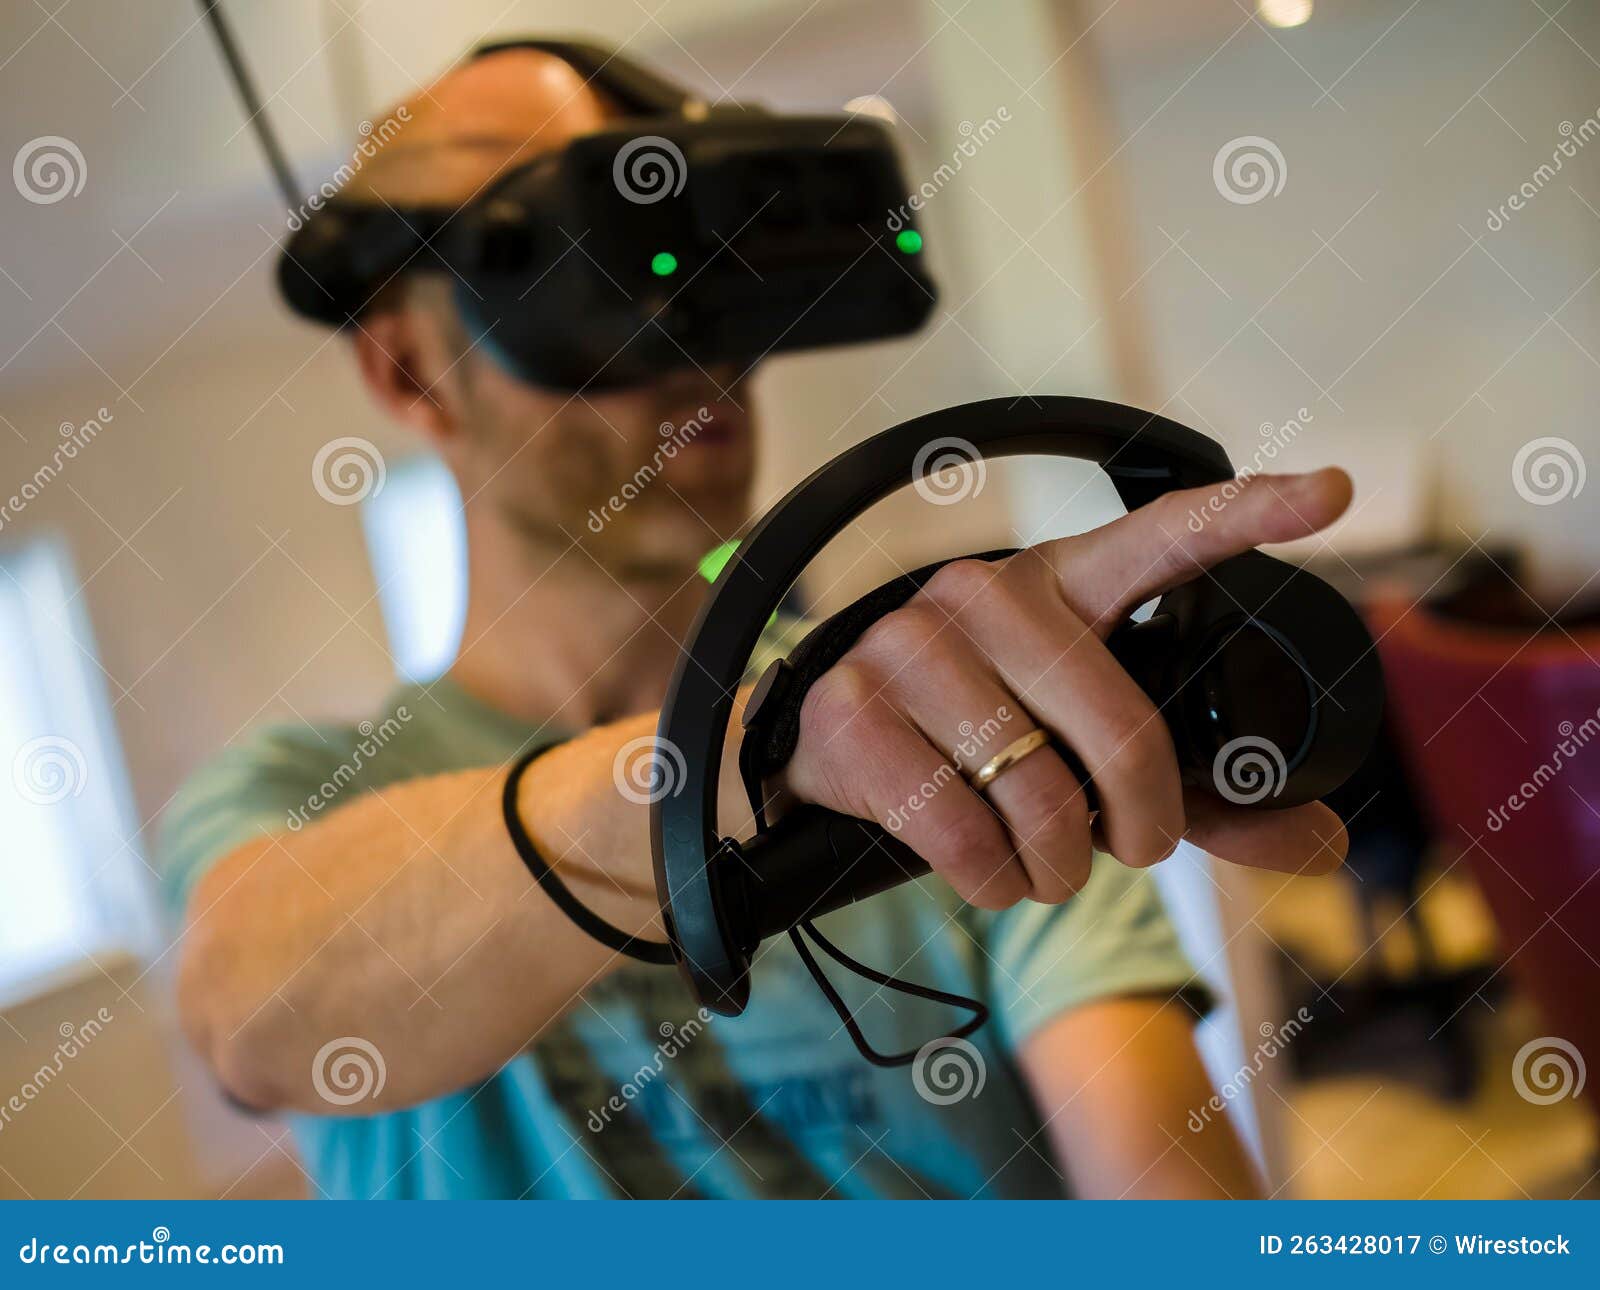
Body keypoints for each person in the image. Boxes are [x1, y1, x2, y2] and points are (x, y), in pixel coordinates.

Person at [161, 44, 1351, 1200]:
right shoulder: (302, 793)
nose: (695, 345)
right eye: (599, 261)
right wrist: (749, 757)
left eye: (711, 268)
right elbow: (255, 1010)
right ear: (411, 371)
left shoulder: (960, 725)